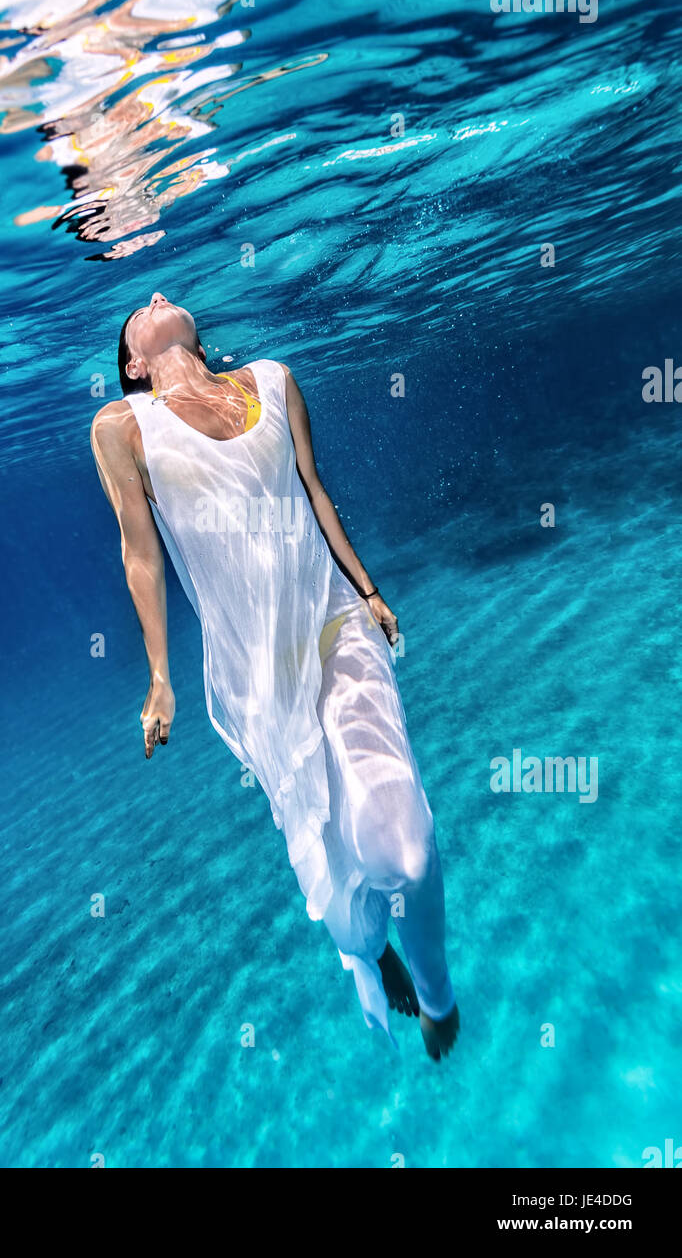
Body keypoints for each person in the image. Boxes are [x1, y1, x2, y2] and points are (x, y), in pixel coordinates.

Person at [90, 292, 459, 1059]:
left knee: (407, 849)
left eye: (163, 294)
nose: (157, 294)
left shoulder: (271, 377)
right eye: (139, 309)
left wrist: (368, 590)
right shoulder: (123, 426)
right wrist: (160, 678)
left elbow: (316, 493)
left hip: (335, 626)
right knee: (327, 857)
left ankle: (437, 1000)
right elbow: (140, 554)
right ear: (132, 361)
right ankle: (366, 953)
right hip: (257, 675)